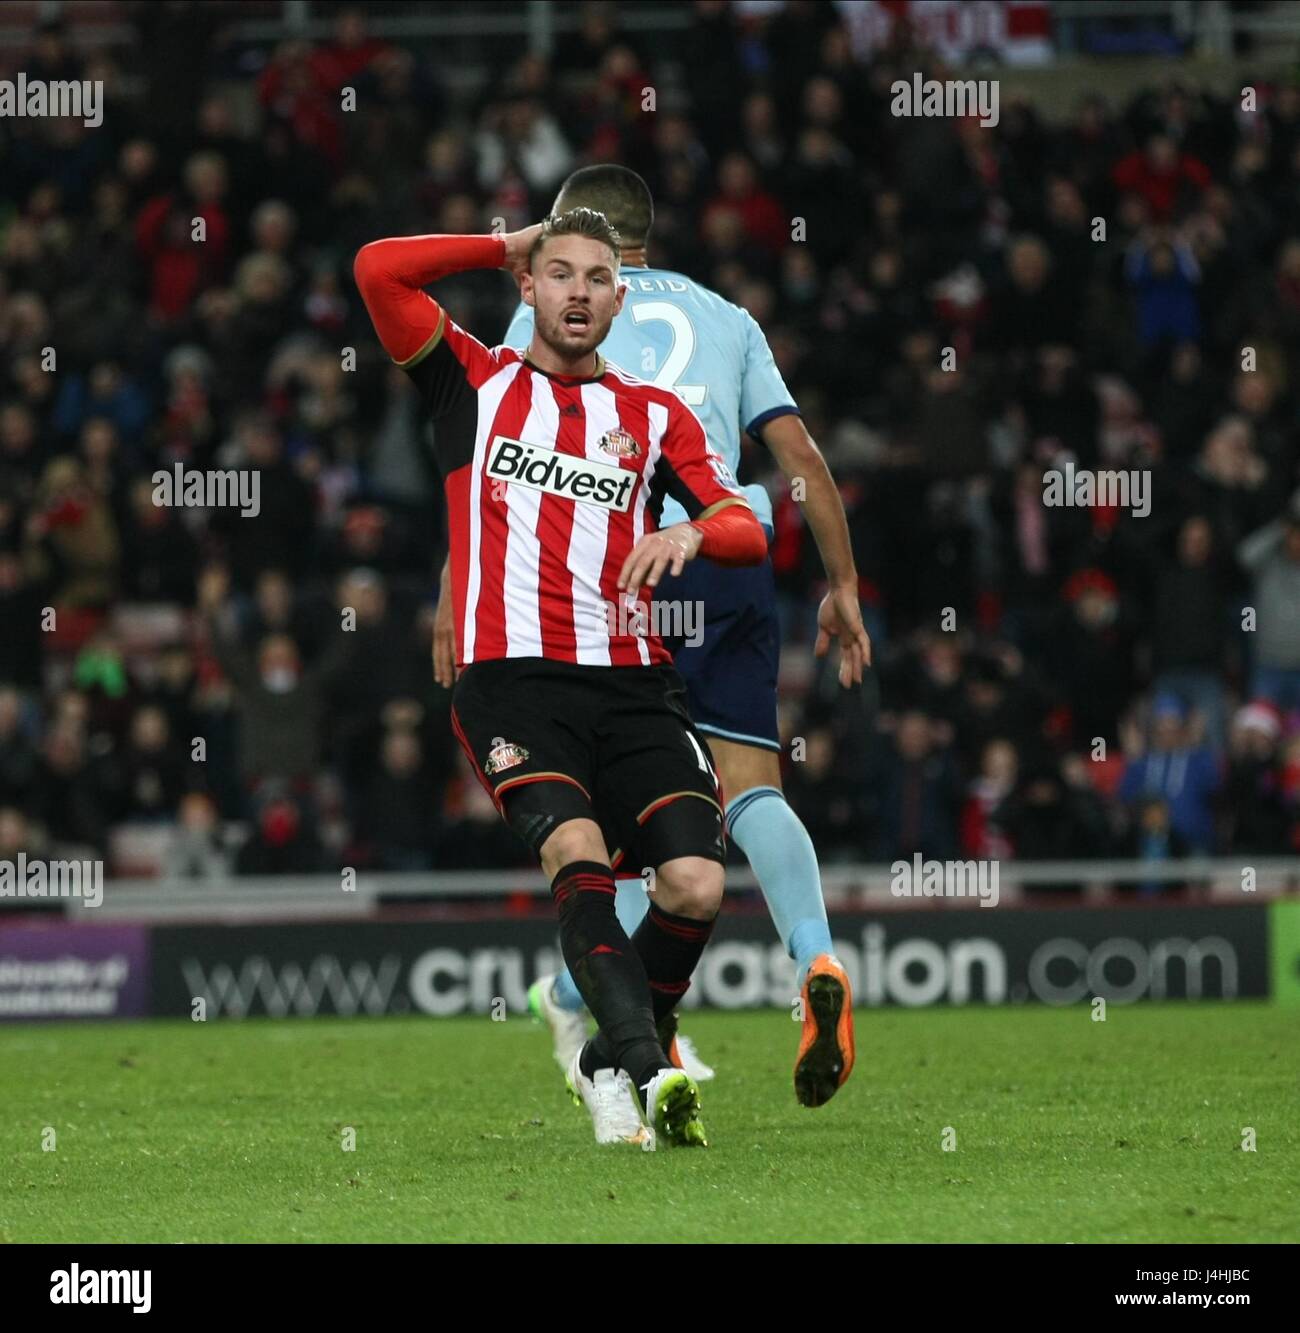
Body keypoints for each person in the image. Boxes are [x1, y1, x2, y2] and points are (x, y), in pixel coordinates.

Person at [437, 166, 870, 1108]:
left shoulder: (557, 296)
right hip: (723, 551)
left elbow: (489, 455)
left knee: (616, 824)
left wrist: (450, 598)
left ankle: (584, 1003)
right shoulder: (729, 317)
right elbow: (800, 459)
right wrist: (841, 584)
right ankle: (816, 957)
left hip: (605, 572)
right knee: (741, 797)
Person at [355, 207, 768, 1148]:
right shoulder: (471, 379)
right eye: (559, 273)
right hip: (511, 683)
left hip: (631, 684)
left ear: (621, 300)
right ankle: (647, 1071)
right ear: (528, 289)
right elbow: (379, 266)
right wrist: (498, 241)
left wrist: (690, 529)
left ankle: (602, 1060)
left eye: (596, 278)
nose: (578, 291)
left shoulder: (652, 417)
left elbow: (743, 525)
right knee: (574, 851)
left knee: (697, 885)